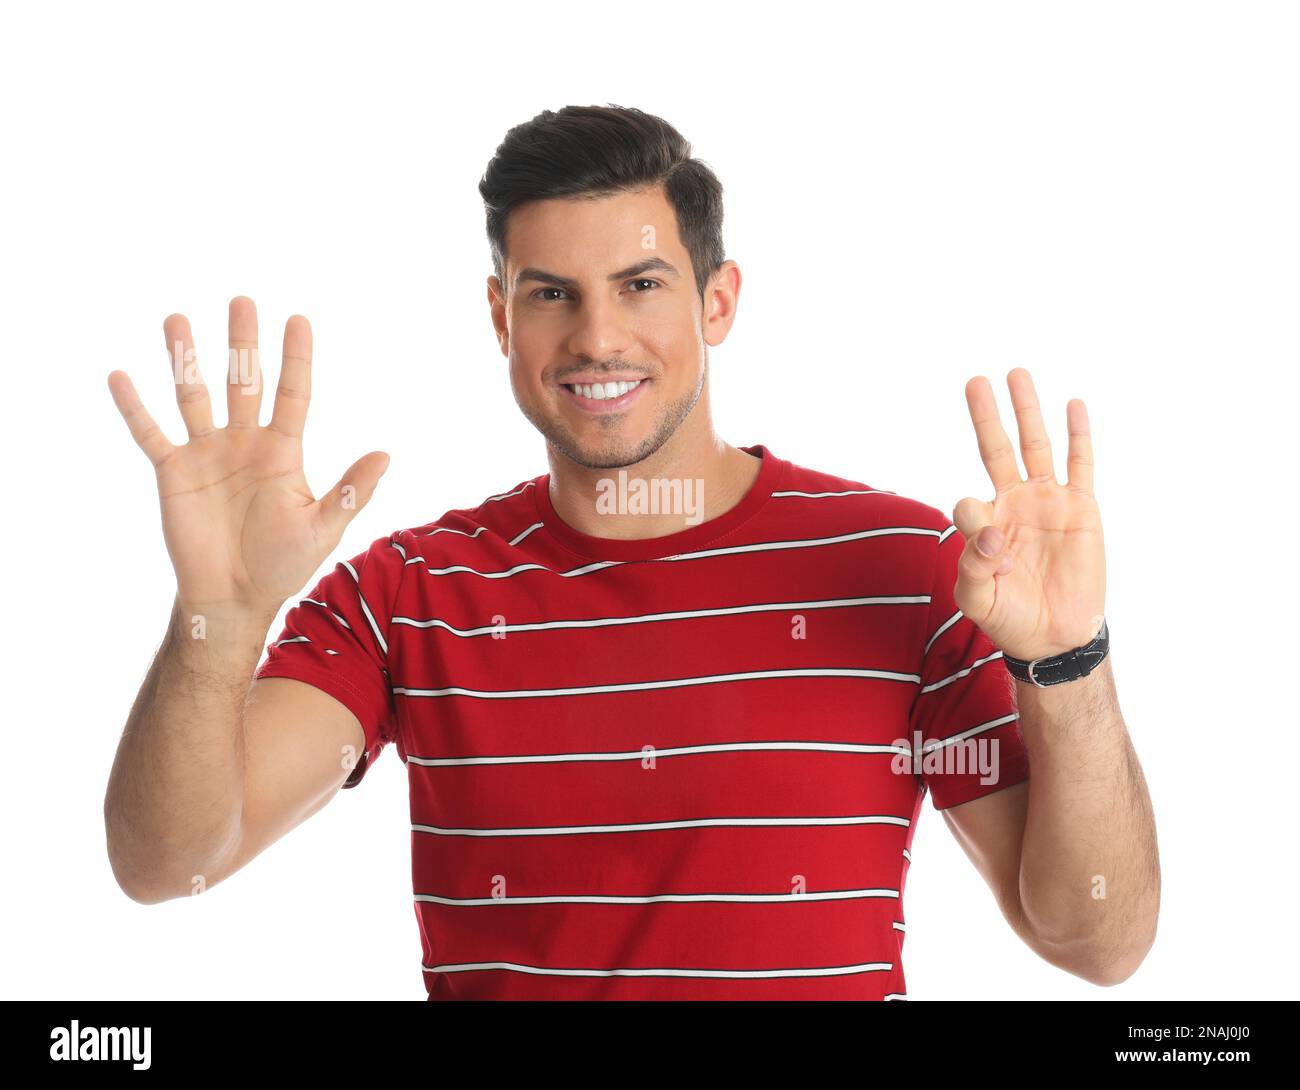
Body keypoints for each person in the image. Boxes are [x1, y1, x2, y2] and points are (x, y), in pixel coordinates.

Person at [104, 104, 1159, 1000]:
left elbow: (1096, 942)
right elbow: (169, 862)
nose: (597, 337)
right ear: (499, 316)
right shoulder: (408, 593)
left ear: (718, 300)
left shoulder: (907, 568)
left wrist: (1067, 665)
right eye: (550, 292)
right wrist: (221, 620)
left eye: (641, 284)